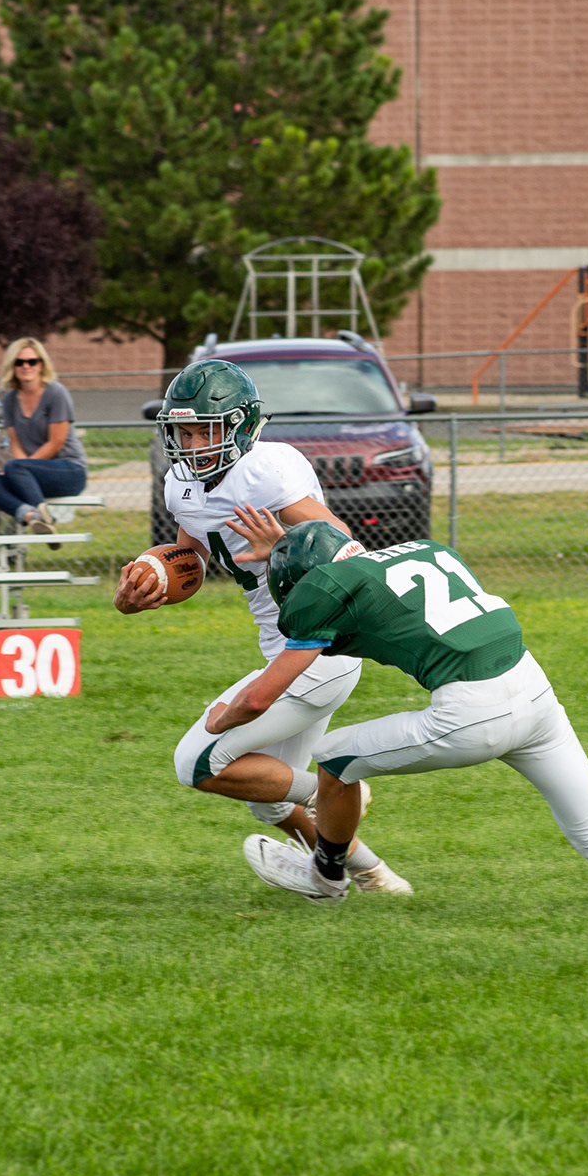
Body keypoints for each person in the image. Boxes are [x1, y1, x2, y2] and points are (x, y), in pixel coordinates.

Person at [221, 520, 588, 918]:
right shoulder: (424, 550)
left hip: (474, 710)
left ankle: (328, 876)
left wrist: (219, 726)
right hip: (535, 691)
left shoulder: (322, 592)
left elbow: (260, 698)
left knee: (335, 760)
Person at [113, 359, 410, 894]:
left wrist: (283, 547)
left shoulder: (267, 470)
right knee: (266, 799)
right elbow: (192, 557)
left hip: (318, 652)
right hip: (284, 649)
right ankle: (366, 873)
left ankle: (336, 789)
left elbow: (346, 549)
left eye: (206, 427)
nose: (193, 442)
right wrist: (145, 587)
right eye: (183, 429)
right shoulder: (181, 484)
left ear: (243, 426)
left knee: (197, 761)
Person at [0, 338, 87, 546]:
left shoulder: (56, 393)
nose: (26, 366)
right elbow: (14, 442)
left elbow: (56, 442)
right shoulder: (9, 399)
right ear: (12, 366)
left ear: (41, 365)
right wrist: (17, 472)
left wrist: (19, 470)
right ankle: (33, 517)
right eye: (19, 362)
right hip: (30, 473)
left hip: (69, 470)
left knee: (13, 467)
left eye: (32, 361)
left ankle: (44, 517)